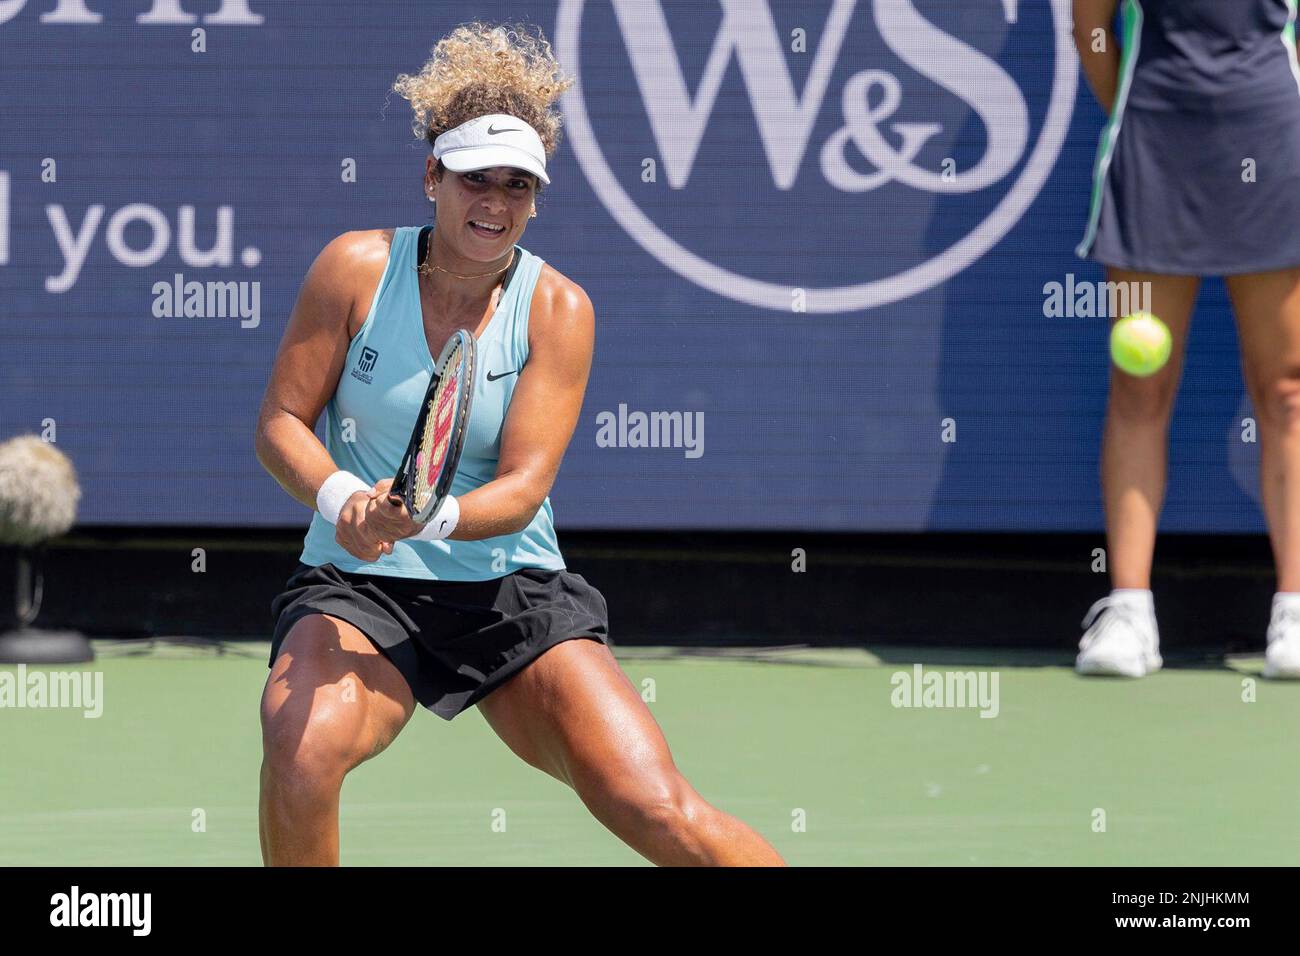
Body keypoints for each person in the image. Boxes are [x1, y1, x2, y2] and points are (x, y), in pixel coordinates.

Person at [253, 21, 785, 865]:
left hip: (510, 591)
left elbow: (525, 486)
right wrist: (342, 501)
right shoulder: (354, 268)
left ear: (537, 197)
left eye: (518, 185)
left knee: (659, 808)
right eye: (474, 180)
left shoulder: (558, 309)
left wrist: (422, 519)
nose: (495, 204)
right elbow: (280, 422)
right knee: (302, 753)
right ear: (432, 176)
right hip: (356, 586)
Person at [1072, 0, 1300, 678]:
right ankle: (1129, 611)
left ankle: (1294, 610)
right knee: (1139, 387)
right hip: (1153, 146)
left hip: (1272, 139)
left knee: (1288, 391)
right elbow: (1089, 26)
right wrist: (1131, 116)